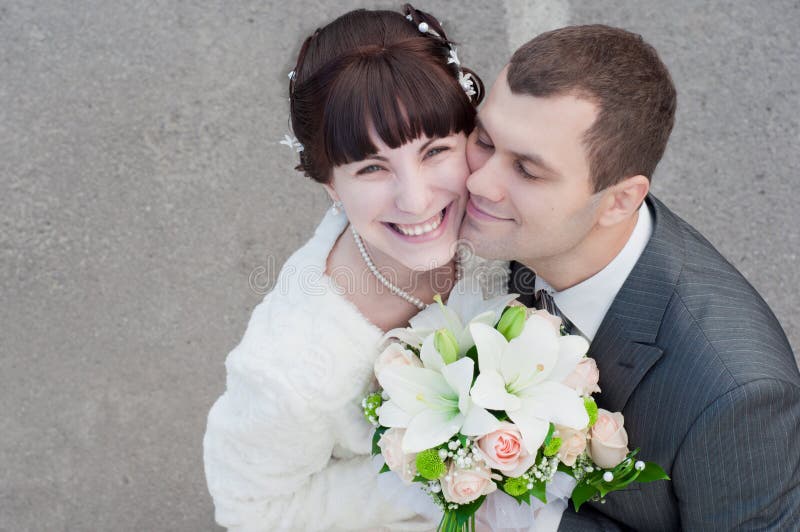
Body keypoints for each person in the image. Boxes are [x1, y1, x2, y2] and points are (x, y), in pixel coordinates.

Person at [460, 24, 800, 530]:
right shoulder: (500, 236)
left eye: (528, 171)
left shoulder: (734, 395)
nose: (477, 182)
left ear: (619, 200)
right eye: (484, 140)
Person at [203, 5, 515, 530]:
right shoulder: (288, 369)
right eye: (372, 168)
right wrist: (434, 474)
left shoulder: (504, 230)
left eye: (436, 150)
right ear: (330, 185)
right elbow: (250, 510)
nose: (416, 201)